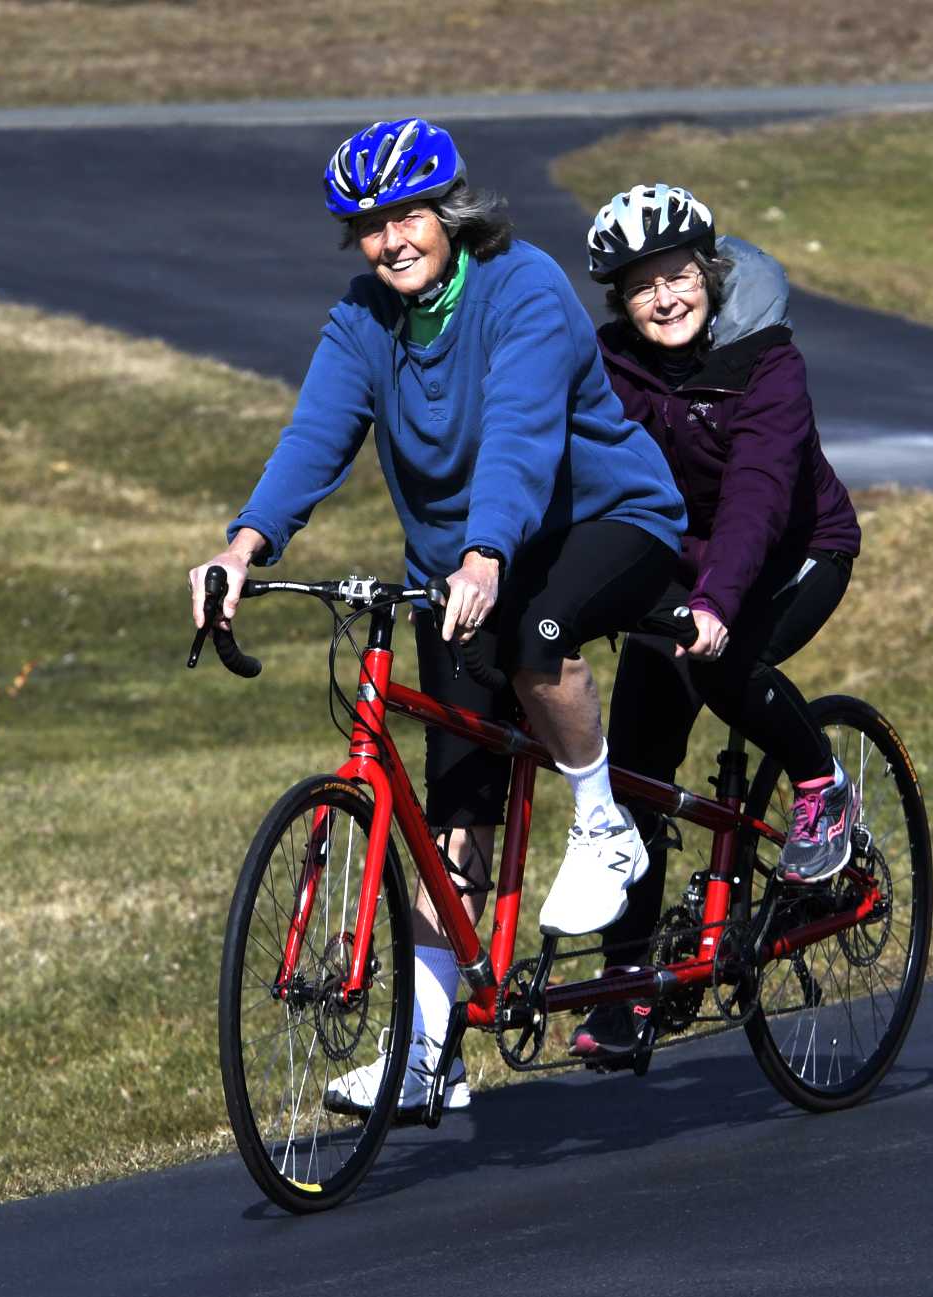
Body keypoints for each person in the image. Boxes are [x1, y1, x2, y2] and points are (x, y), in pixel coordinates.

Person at [187, 121, 686, 1112]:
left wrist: (486, 551)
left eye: (407, 217)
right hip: (462, 567)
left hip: (600, 521)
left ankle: (603, 825)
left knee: (539, 638)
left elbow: (520, 434)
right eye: (369, 227)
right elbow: (315, 434)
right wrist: (242, 548)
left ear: (450, 214)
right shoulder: (364, 315)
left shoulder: (523, 287)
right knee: (453, 815)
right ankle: (423, 1059)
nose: (391, 241)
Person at [572, 183, 863, 1059]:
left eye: (678, 277)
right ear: (619, 301)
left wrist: (715, 603)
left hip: (791, 551)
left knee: (722, 666)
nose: (664, 300)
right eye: (641, 287)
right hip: (680, 565)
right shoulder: (611, 365)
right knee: (634, 775)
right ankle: (627, 988)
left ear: (709, 272)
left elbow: (757, 499)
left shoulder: (766, 360)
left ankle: (821, 782)